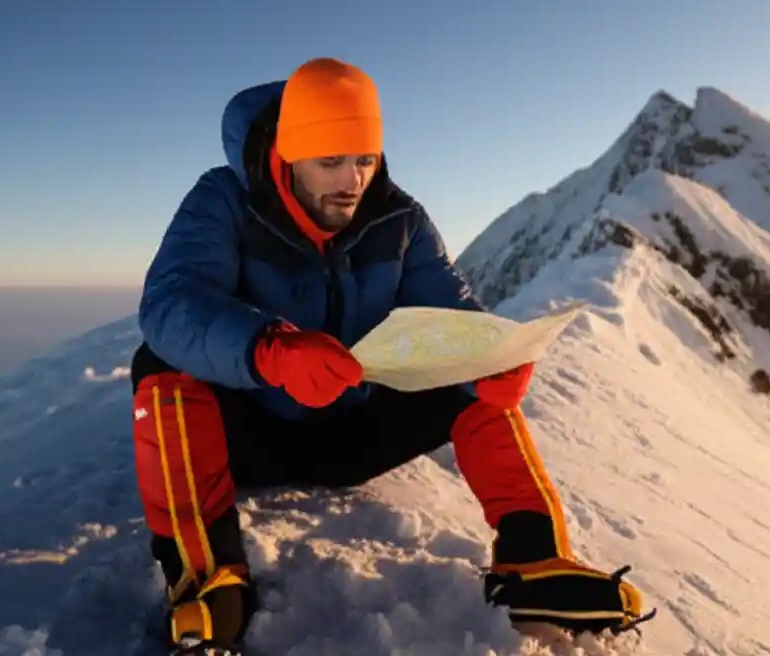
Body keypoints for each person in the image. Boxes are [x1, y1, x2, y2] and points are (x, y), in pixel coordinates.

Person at [129, 57, 647, 653]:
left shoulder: (400, 218)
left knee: (473, 372)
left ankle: (534, 560)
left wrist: (493, 359)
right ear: (288, 156)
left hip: (354, 429)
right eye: (330, 161)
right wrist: (269, 349)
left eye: (364, 159)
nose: (352, 180)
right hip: (250, 432)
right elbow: (172, 302)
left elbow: (454, 316)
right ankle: (207, 576)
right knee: (160, 369)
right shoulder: (223, 200)